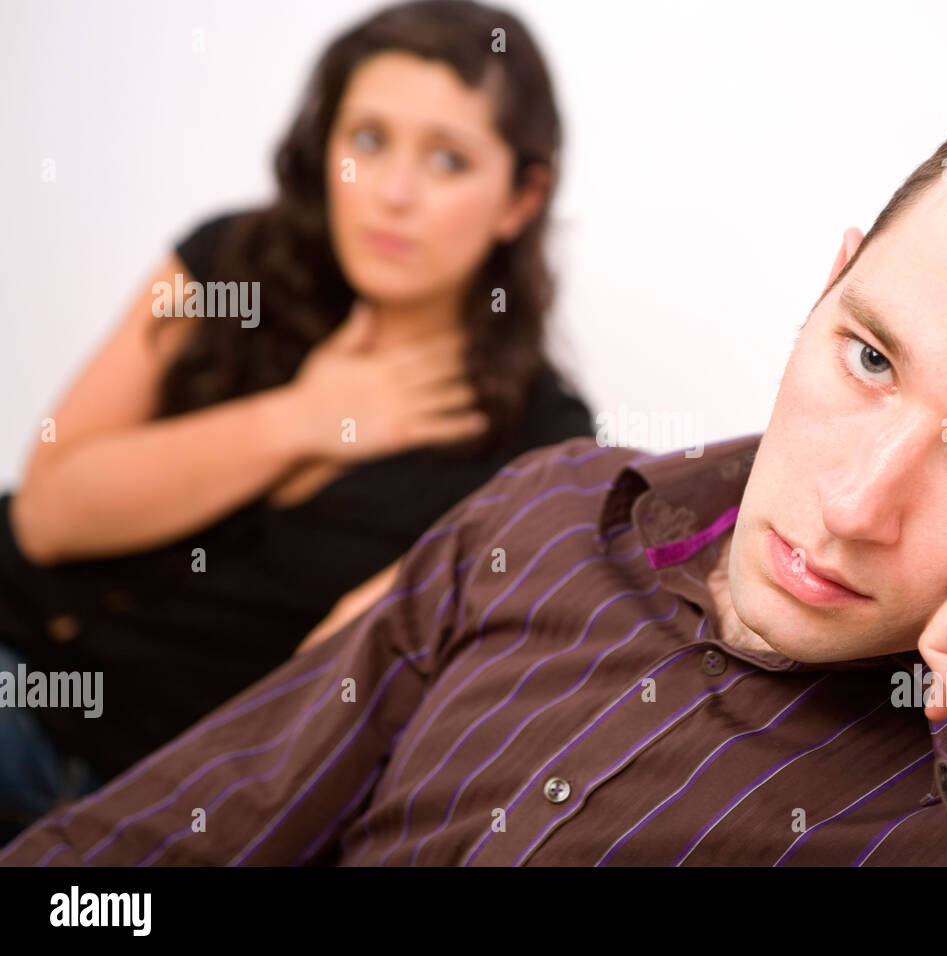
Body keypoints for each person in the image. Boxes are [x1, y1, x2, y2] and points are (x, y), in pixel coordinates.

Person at [4, 31, 947, 866]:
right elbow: (155, 849)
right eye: (871, 356)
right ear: (830, 283)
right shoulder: (550, 513)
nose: (850, 508)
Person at [0, 0, 593, 843]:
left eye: (448, 159)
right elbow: (47, 517)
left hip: (142, 803)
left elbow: (330, 694)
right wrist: (308, 417)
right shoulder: (227, 261)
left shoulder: (542, 443)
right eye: (368, 140)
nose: (392, 194)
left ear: (519, 198)